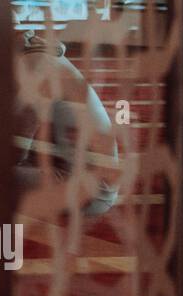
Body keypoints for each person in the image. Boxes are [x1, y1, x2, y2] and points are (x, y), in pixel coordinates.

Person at [13, 30, 120, 219]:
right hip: (83, 177)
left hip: (86, 188)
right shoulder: (36, 56)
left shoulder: (34, 66)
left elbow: (17, 148)